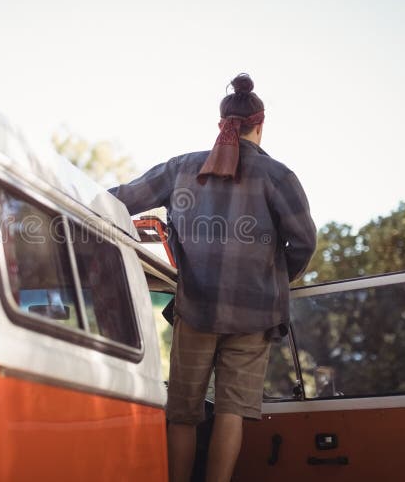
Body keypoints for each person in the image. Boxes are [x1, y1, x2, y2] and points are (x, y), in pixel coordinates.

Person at [109, 73, 316, 482]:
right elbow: (304, 242)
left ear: (222, 124)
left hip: (196, 311)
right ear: (260, 125)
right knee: (231, 413)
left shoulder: (181, 168)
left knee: (183, 414)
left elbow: (119, 200)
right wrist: (271, 279)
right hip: (255, 318)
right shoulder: (279, 176)